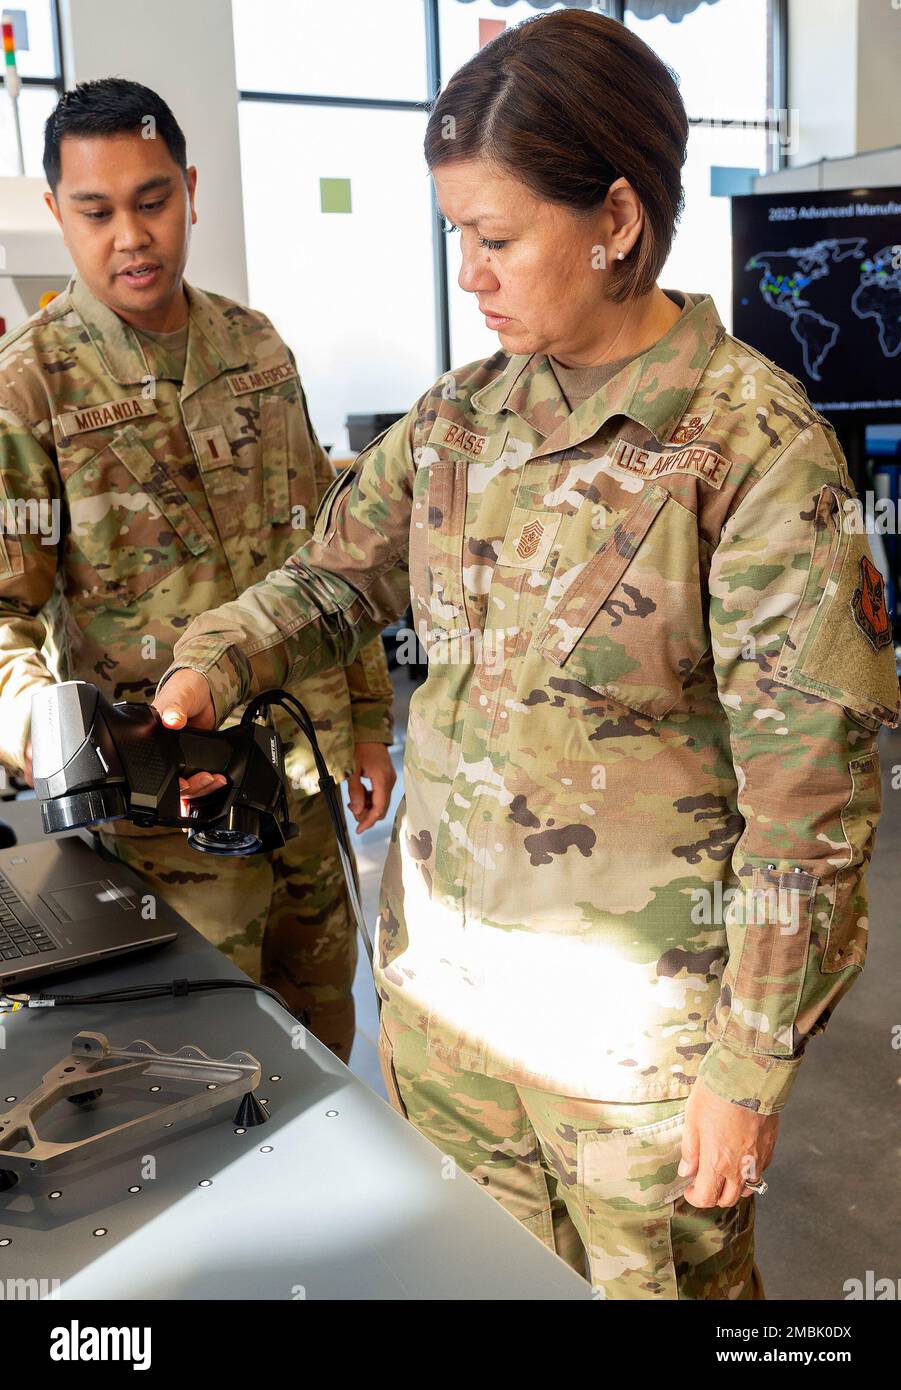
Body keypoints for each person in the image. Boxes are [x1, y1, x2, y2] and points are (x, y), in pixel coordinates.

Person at [151, 11, 898, 1298]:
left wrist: (745, 1064)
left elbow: (808, 811)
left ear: (613, 218)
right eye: (457, 236)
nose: (469, 275)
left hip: (637, 1063)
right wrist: (215, 662)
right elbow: (335, 575)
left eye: (496, 238)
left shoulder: (751, 449)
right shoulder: (459, 417)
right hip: (448, 1014)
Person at [0, 78, 396, 1063]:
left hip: (303, 779)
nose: (130, 236)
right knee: (203, 1076)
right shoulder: (30, 387)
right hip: (170, 823)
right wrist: (60, 739)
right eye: (95, 211)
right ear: (57, 214)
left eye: (152, 200)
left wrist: (372, 723)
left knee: (323, 1048)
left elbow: (331, 556)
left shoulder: (257, 350)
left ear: (190, 189)